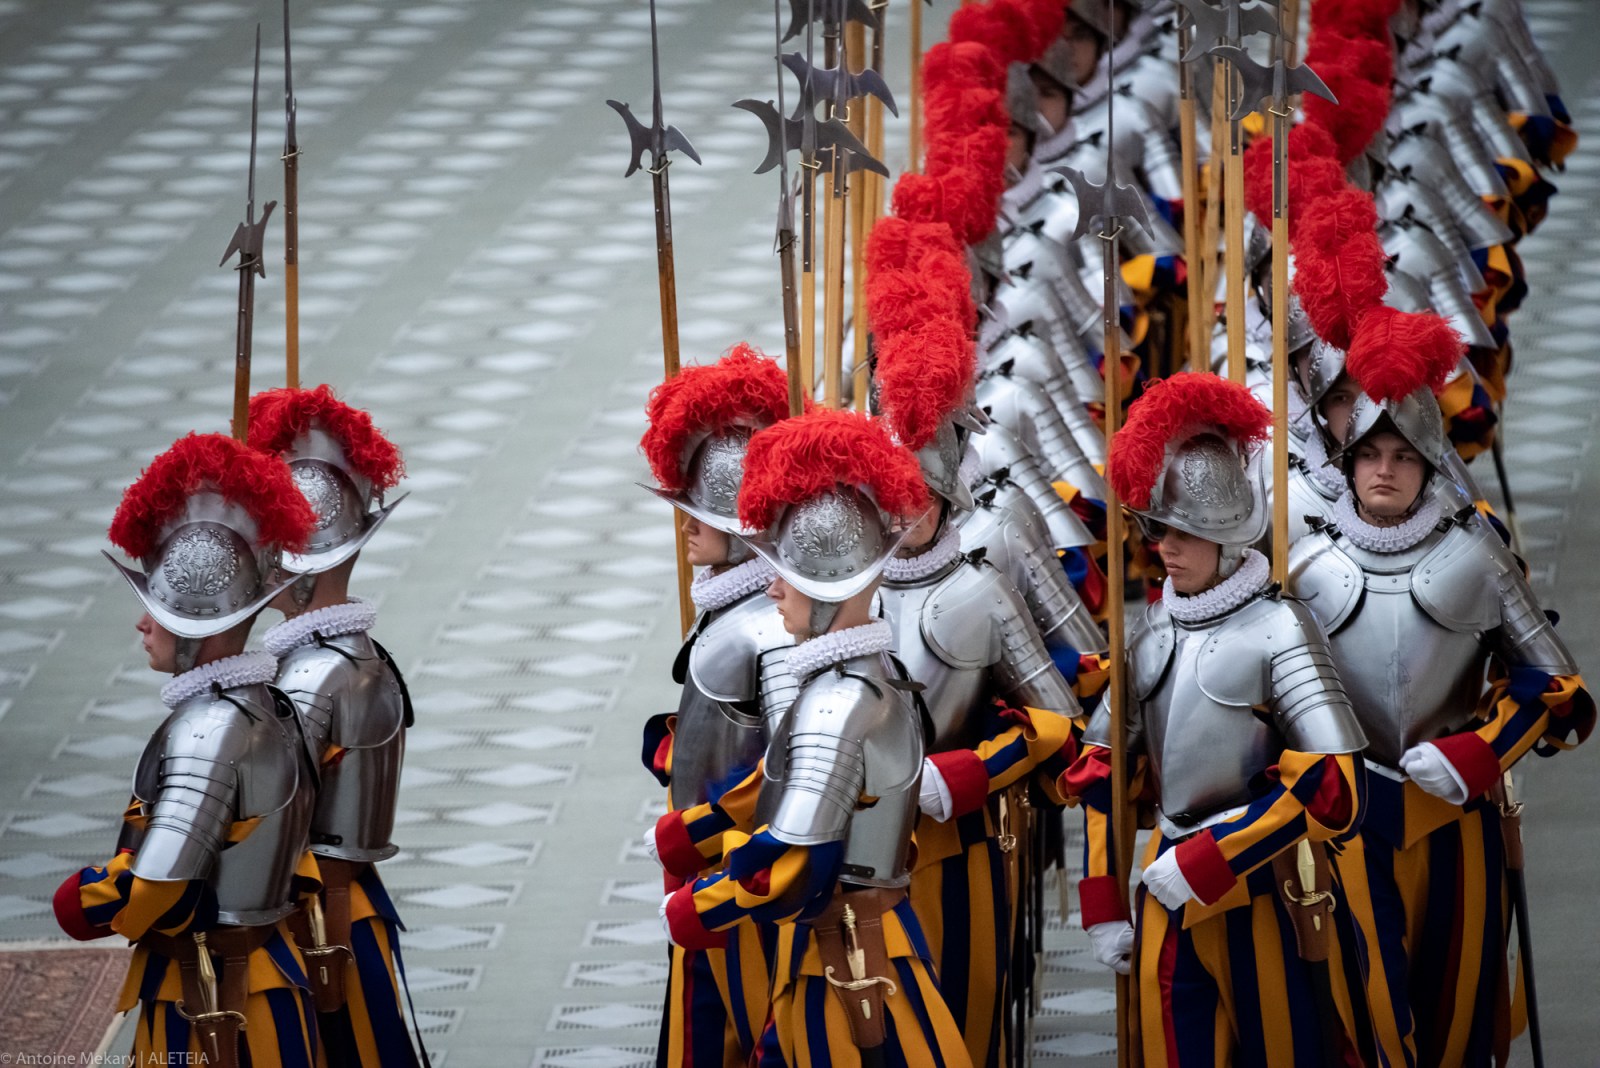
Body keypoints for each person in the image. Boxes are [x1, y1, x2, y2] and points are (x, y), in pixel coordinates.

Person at [1289, 307, 1594, 1067]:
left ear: (1428, 464)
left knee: (1456, 1014)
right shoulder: (1304, 566)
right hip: (1345, 823)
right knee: (1364, 1019)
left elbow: (1556, 686)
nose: (1384, 469)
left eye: (1401, 454)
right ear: (1348, 460)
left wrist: (1481, 753)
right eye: (1369, 454)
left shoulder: (1475, 554)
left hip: (1455, 817)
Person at [1061, 374, 1375, 1067]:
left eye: (1185, 532)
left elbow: (1333, 785)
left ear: (1228, 535)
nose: (1165, 547)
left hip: (1264, 891)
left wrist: (1213, 856)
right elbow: (1101, 774)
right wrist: (1104, 898)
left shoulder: (1280, 629)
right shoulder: (1147, 633)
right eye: (1160, 529)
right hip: (1165, 897)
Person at [658, 409, 972, 1068]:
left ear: (829, 589)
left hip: (846, 959)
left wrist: (699, 907)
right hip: (854, 944)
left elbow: (798, 856)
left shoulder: (838, 701)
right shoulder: (850, 678)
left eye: (788, 573)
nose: (771, 586)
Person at [53, 433, 321, 1068]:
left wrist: (85, 896)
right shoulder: (261, 701)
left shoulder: (208, 729)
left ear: (200, 624)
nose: (142, 625)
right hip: (261, 975)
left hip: (212, 1000)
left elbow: (162, 887)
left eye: (158, 611)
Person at [247, 384, 425, 1067]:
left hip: (321, 929)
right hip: (333, 920)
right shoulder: (349, 658)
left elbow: (334, 852)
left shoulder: (315, 674)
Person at [636, 344, 796, 1067]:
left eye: (698, 511)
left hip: (749, 878)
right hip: (709, 872)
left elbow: (795, 767)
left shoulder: (767, 626)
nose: (684, 525)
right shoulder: (729, 612)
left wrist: (693, 829)